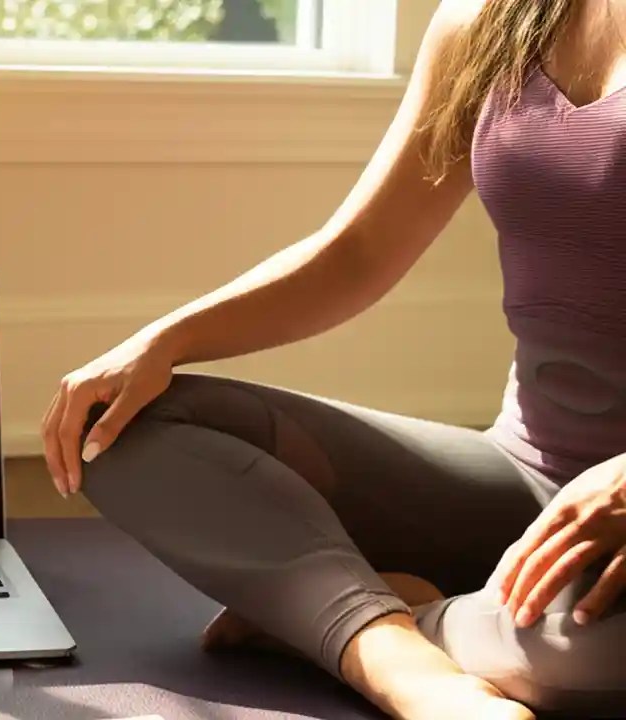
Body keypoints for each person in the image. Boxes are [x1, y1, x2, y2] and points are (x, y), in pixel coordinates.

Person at [41, 2, 626, 719]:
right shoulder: (488, 20)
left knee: (595, 649)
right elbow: (358, 253)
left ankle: (327, 619)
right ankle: (391, 656)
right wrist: (163, 341)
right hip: (518, 477)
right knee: (117, 426)